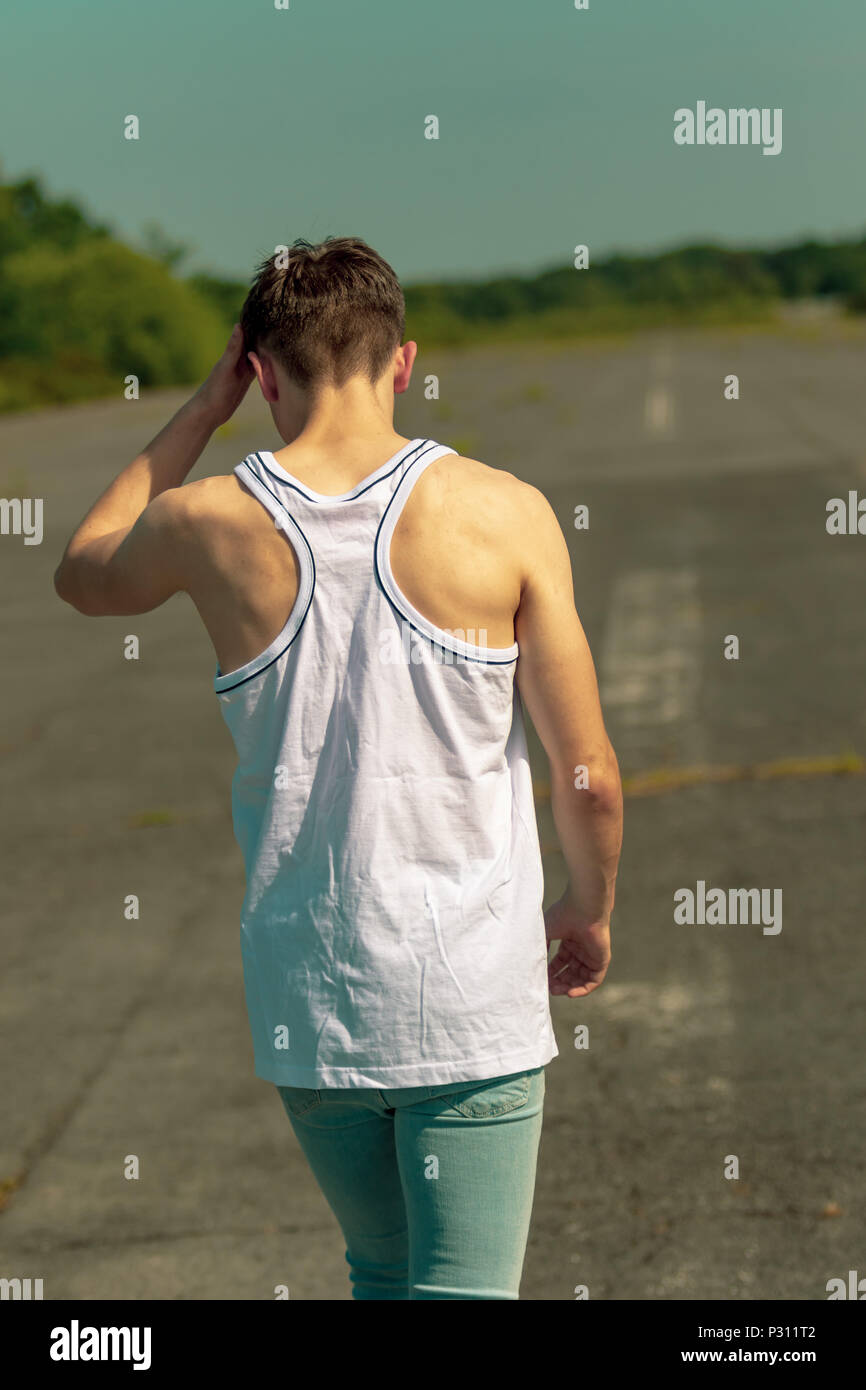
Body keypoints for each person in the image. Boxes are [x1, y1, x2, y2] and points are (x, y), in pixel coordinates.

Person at [54, 235, 623, 1300]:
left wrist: (200, 412)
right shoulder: (504, 509)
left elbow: (82, 570)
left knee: (382, 1271)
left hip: (309, 1005)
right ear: (402, 363)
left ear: (260, 372)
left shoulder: (202, 521)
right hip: (468, 1002)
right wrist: (586, 906)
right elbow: (584, 767)